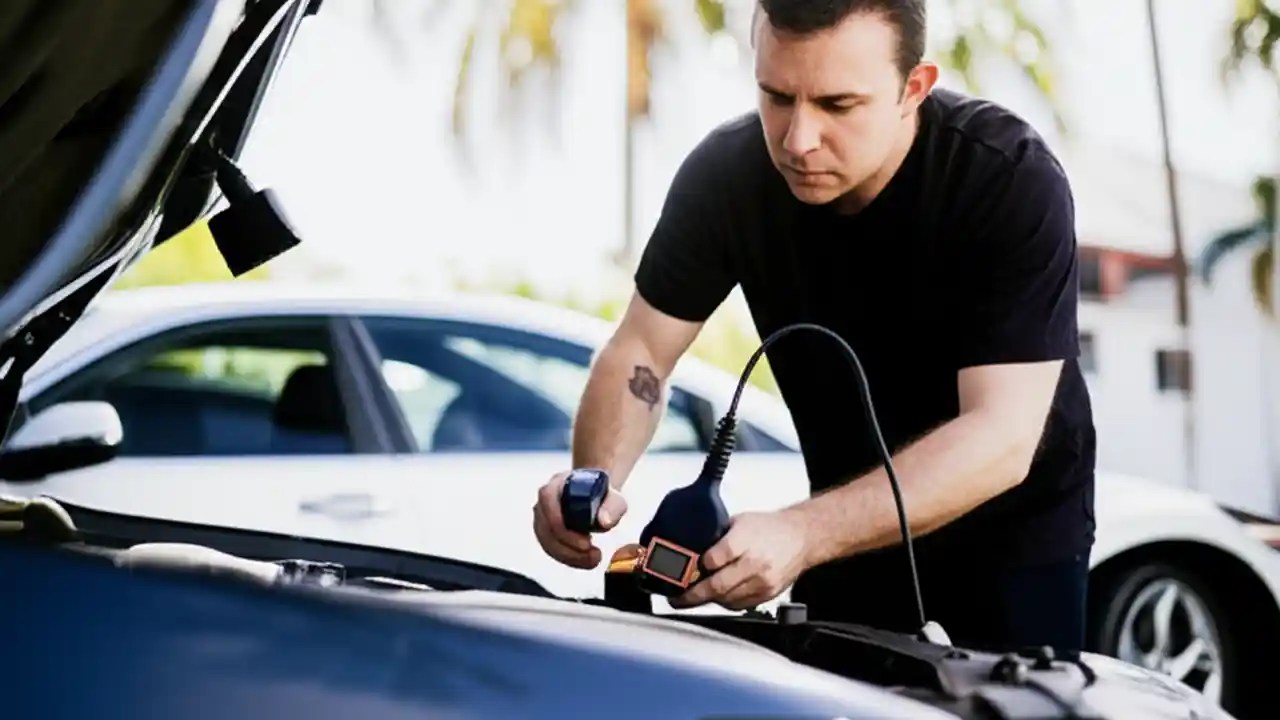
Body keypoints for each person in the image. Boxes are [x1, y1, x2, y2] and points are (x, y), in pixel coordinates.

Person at [532, 0, 1096, 658]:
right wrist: (592, 484)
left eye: (837, 105)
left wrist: (802, 532)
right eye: (777, 96)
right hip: (842, 531)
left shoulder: (1007, 179)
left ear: (913, 89)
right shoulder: (727, 177)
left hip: (1012, 548)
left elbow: (1000, 437)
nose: (798, 140)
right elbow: (641, 352)